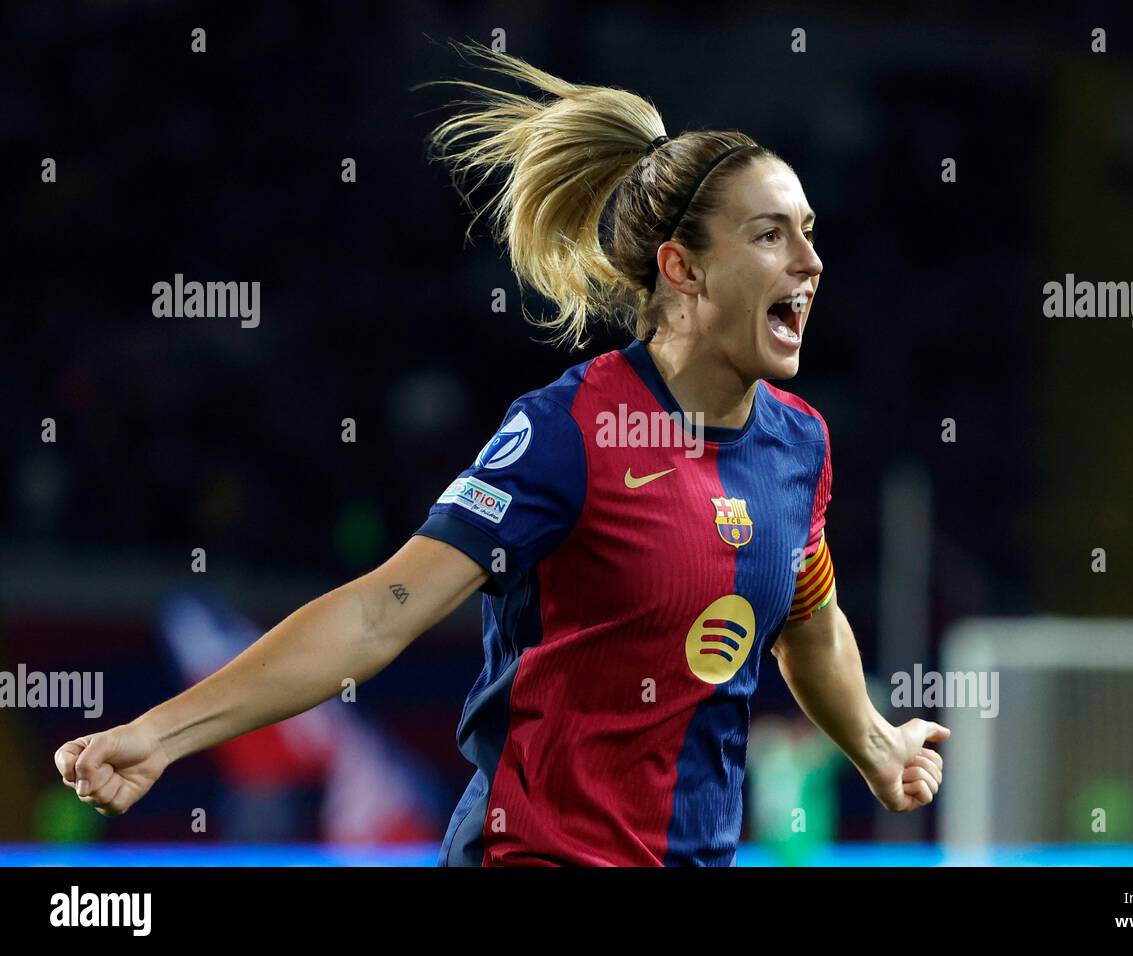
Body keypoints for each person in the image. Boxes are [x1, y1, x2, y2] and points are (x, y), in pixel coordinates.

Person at [54, 40, 948, 866]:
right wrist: (163, 734)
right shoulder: (569, 432)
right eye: (770, 234)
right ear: (682, 270)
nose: (812, 259)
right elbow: (379, 613)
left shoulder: (800, 444)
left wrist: (878, 748)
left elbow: (805, 615)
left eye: (809, 229)